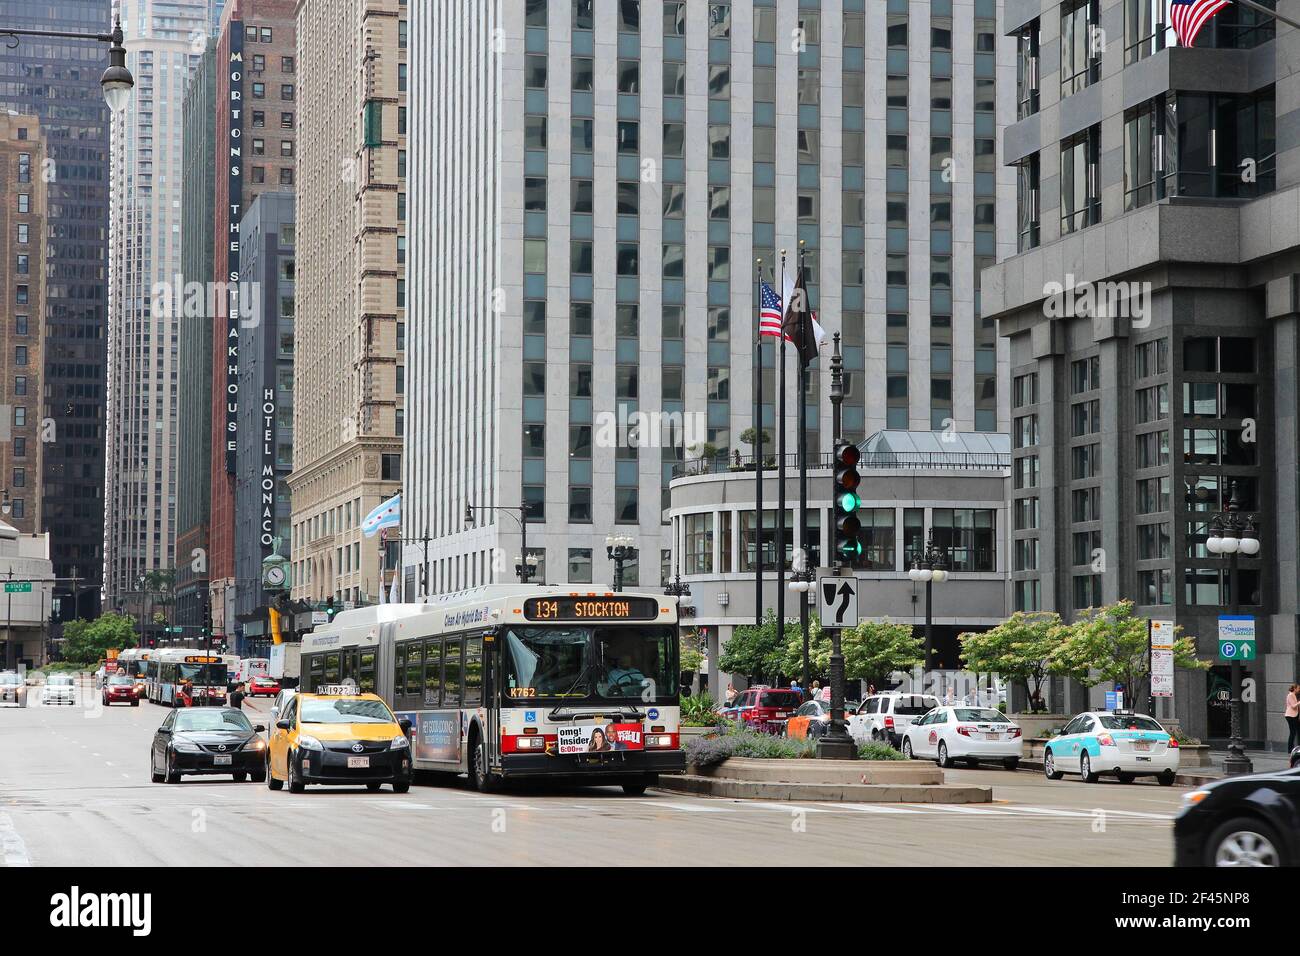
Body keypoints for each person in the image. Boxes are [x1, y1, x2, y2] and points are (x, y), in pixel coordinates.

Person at [1286, 684, 1300, 752]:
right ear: (1294, 688)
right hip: (1291, 716)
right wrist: (1299, 702)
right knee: (1292, 732)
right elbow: (1293, 706)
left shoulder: (1293, 695)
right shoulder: (1290, 695)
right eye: (1298, 688)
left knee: (1293, 732)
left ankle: (1291, 748)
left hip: (1293, 715)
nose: (1299, 690)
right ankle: (1290, 749)